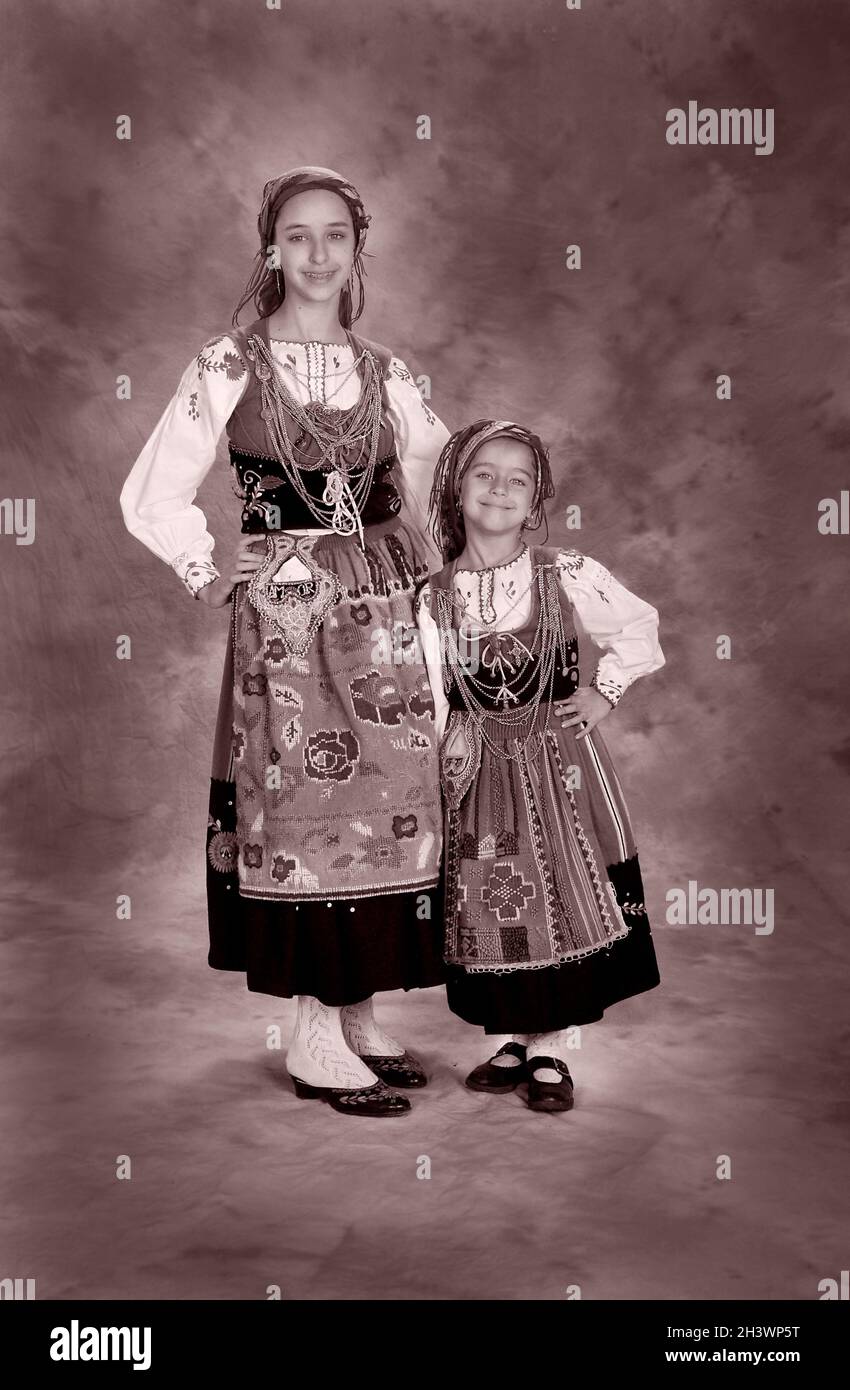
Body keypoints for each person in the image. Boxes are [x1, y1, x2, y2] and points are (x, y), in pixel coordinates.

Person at [120, 166, 452, 1118]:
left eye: (335, 236)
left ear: (357, 251)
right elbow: (154, 491)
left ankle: (357, 1010)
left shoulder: (388, 372)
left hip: (385, 604)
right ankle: (309, 1029)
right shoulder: (229, 364)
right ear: (272, 250)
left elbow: (435, 483)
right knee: (305, 801)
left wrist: (460, 576)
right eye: (297, 236)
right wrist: (203, 566)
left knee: (395, 795)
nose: (316, 253)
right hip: (292, 614)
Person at [415, 420, 665, 1113]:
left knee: (563, 884)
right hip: (481, 765)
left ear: (535, 502)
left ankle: (552, 1043)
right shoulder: (432, 597)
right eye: (483, 473)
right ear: (456, 486)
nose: (499, 488)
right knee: (501, 894)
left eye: (517, 479)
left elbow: (639, 627)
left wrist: (603, 692)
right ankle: (519, 1037)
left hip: (560, 759)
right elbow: (432, 696)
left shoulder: (566, 571)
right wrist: (442, 759)